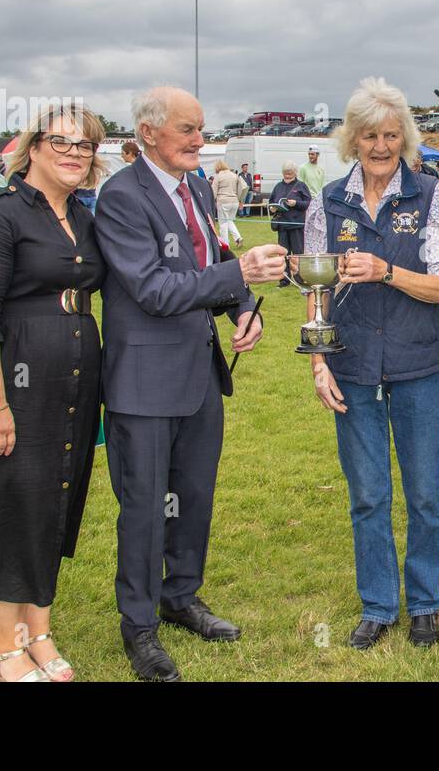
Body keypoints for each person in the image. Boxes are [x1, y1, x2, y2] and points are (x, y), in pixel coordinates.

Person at [94, 86, 285, 681]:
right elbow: (152, 288)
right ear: (149, 133)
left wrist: (242, 305)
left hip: (200, 375)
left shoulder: (198, 185)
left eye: (202, 129)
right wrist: (238, 272)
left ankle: (181, 597)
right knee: (146, 507)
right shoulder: (121, 196)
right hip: (144, 382)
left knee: (194, 498)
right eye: (187, 130)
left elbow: (211, 256)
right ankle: (140, 626)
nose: (201, 140)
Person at [0, 103, 108, 682]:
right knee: (16, 502)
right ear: (33, 147)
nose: (73, 154)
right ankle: (2, 646)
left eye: (84, 146)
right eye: (61, 143)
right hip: (17, 383)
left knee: (54, 499)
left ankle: (39, 631)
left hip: (75, 382)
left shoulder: (85, 219)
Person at [303, 77, 439, 651]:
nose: (381, 146)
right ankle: (378, 604)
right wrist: (318, 361)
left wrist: (387, 271)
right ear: (353, 138)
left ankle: (424, 602)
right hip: (351, 364)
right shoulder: (329, 200)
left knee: (425, 492)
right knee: (368, 492)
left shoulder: (435, 197)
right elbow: (315, 287)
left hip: (420, 363)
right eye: (370, 135)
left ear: (406, 138)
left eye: (392, 134)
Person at [269, 161, 311, 286]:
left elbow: (309, 203)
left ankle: (301, 278)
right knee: (283, 254)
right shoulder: (278, 186)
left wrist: (296, 204)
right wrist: (272, 208)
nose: (287, 175)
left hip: (296, 225)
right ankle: (284, 279)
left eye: (290, 173)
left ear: (295, 172)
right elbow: (271, 202)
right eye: (285, 173)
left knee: (298, 253)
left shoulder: (301, 186)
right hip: (282, 225)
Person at [211, 160, 244, 248]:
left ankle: (225, 244)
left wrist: (212, 201)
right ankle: (238, 237)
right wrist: (241, 200)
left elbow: (213, 192)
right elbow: (240, 189)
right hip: (235, 201)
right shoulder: (234, 175)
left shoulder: (218, 177)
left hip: (223, 202)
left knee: (223, 224)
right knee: (229, 221)